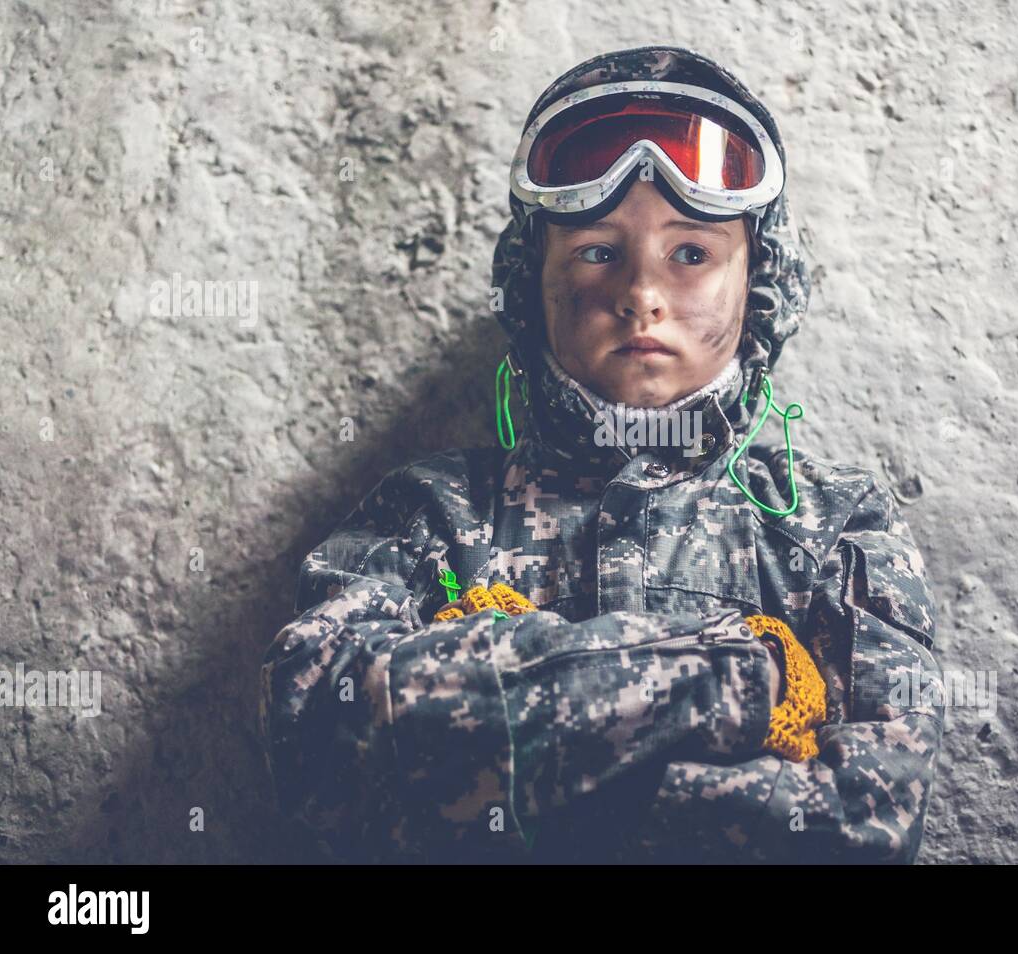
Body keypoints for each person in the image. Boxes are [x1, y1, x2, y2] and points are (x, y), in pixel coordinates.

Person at [259, 45, 947, 863]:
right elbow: (319, 748)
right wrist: (732, 677)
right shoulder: (432, 513)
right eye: (596, 251)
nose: (640, 294)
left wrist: (495, 740)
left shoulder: (829, 526)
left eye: (690, 254)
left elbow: (863, 828)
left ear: (762, 280)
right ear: (529, 281)